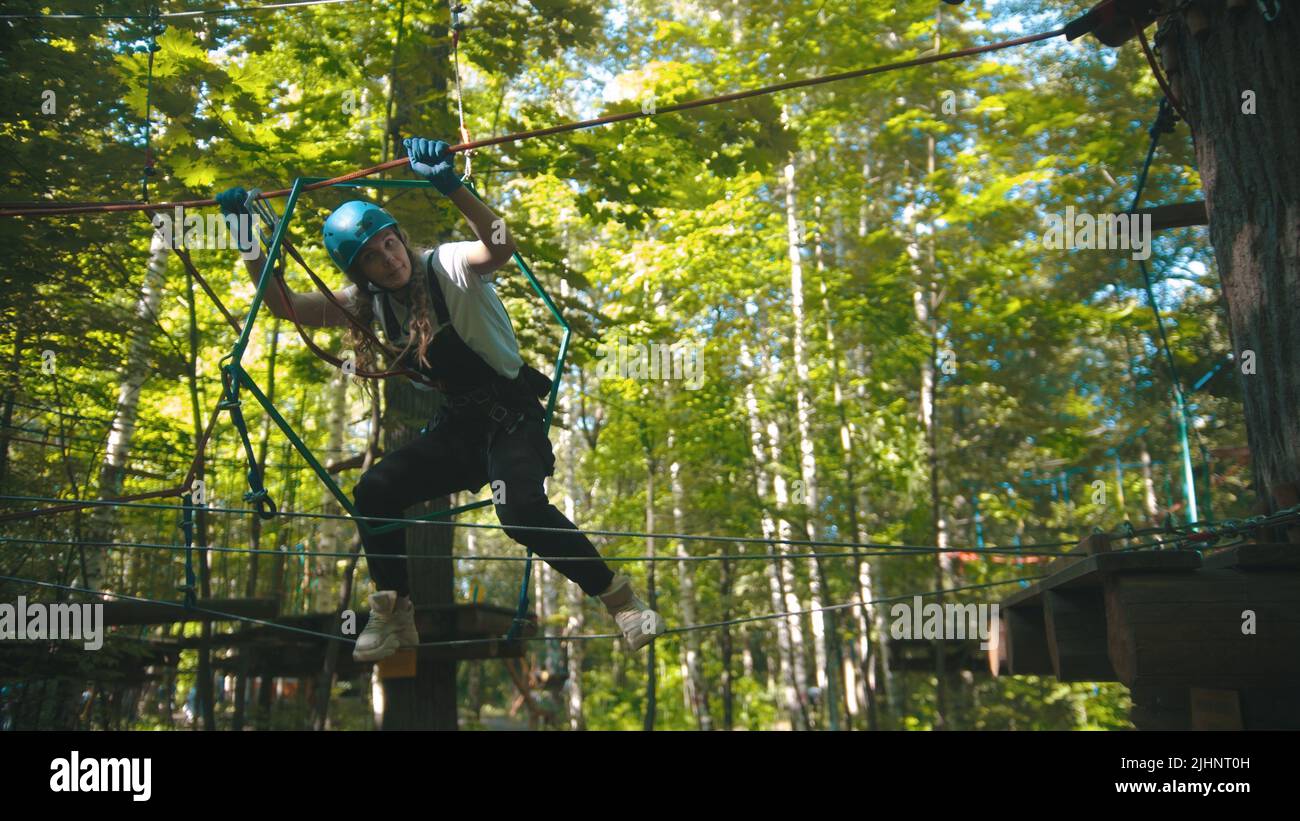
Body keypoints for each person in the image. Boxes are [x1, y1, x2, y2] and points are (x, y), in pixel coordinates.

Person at [215, 137, 665, 662]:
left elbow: (498, 246)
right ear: (358, 271)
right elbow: (285, 304)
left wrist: (454, 187)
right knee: (376, 490)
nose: (387, 260)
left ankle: (624, 602)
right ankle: (394, 615)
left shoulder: (446, 265)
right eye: (370, 257)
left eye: (389, 244)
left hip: (511, 420)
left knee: (519, 511)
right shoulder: (367, 303)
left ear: (400, 239)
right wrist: (246, 237)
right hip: (458, 430)